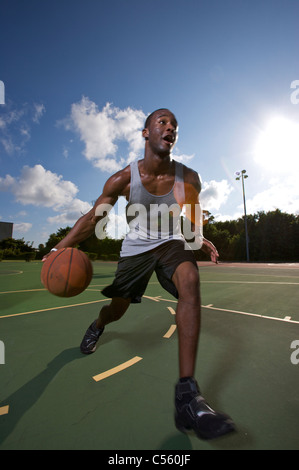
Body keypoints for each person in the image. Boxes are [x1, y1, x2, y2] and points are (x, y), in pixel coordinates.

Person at [45, 108, 235, 440]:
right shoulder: (124, 179)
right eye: (162, 122)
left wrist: (198, 239)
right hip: (136, 249)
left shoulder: (188, 178)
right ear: (146, 133)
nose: (170, 127)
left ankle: (187, 396)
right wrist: (59, 248)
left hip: (171, 243)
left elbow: (190, 219)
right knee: (117, 310)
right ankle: (99, 324)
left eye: (174, 124)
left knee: (190, 280)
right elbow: (93, 219)